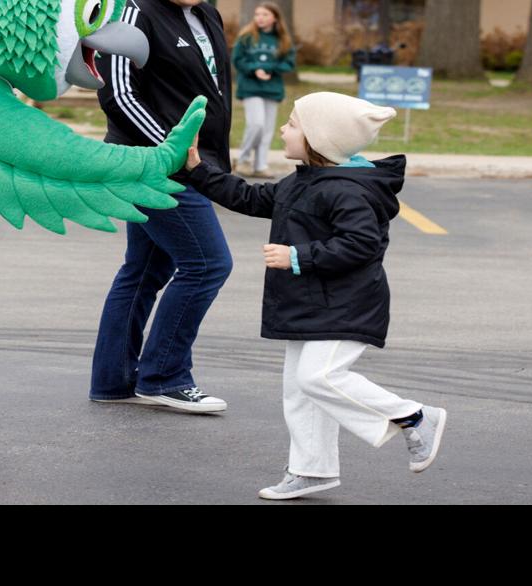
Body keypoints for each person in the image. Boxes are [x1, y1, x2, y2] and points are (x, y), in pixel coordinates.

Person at [185, 92, 447, 500]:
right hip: (308, 302)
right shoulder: (303, 180)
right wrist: (200, 171)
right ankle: (312, 470)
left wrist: (296, 256)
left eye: (293, 124)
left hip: (347, 303)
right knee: (300, 388)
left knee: (319, 377)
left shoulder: (348, 190)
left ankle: (413, 416)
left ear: (319, 139)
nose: (285, 130)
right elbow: (253, 198)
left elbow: (362, 244)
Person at [90, 0, 236, 413]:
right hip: (152, 166)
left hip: (192, 163)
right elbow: (118, 94)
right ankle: (164, 377)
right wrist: (170, 152)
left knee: (145, 270)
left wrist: (213, 159)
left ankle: (113, 380)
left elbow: (212, 88)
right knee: (207, 264)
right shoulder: (132, 12)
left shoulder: (206, 13)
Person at [231, 2, 296, 177]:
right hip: (250, 88)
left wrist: (270, 68)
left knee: (267, 130)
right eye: (257, 14)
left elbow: (288, 63)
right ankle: (243, 160)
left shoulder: (283, 39)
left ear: (274, 17)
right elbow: (237, 60)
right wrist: (255, 69)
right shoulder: (246, 37)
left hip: (272, 89)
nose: (260, 18)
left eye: (265, 14)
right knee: (256, 124)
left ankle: (260, 165)